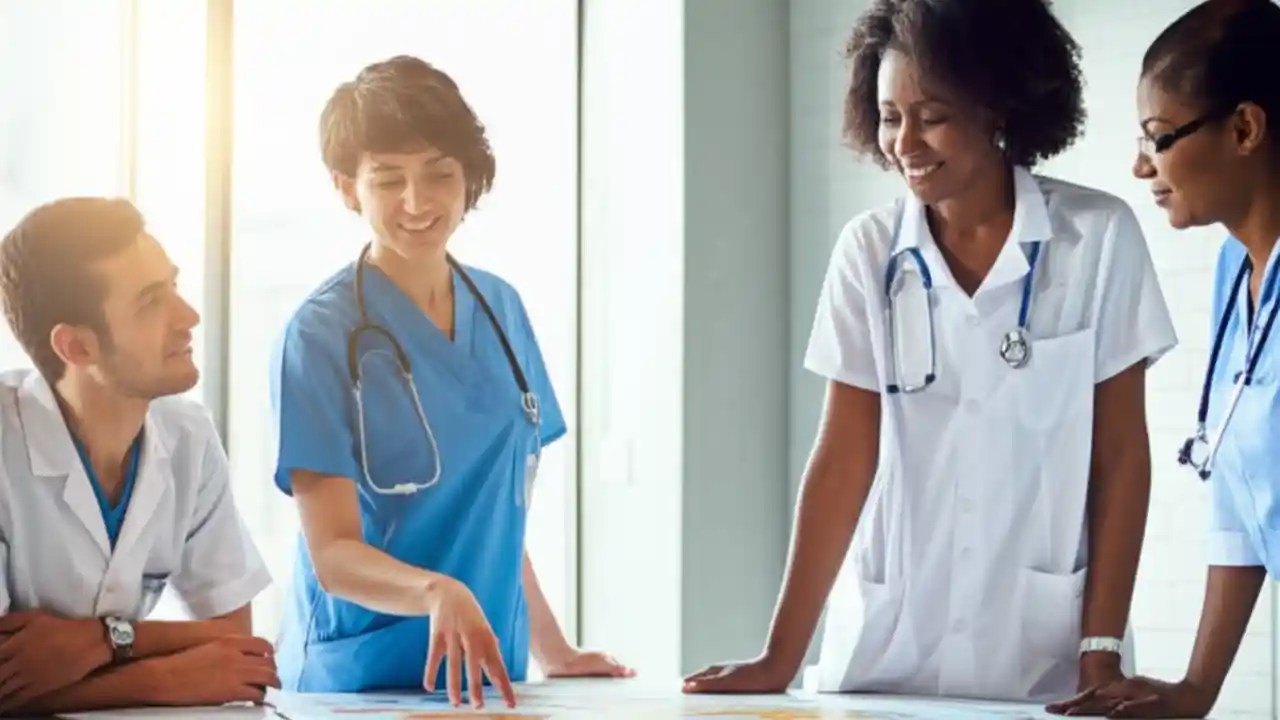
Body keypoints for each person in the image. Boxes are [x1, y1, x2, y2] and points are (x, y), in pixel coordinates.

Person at [684, 0, 1178, 704]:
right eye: (890, 116)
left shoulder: (1097, 238)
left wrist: (1098, 652)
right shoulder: (868, 251)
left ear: (998, 107)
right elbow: (842, 458)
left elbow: (1122, 459)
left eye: (933, 114)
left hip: (1044, 661)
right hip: (888, 651)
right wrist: (780, 655)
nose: (905, 141)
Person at [270, 55, 630, 709]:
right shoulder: (319, 337)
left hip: (491, 677)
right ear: (347, 188)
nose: (418, 202)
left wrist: (557, 652)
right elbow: (333, 552)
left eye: (439, 173)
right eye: (388, 179)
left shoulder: (501, 309)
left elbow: (495, 517)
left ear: (471, 176)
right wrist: (438, 590)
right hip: (361, 682)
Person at [1049, 1, 1280, 717]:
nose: (1142, 164)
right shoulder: (1232, 273)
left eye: (1159, 136)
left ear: (1244, 127)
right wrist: (1195, 690)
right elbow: (1240, 506)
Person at [0, 198, 276, 716]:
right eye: (151, 302)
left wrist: (106, 641)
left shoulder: (186, 436)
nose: (189, 317)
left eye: (173, 285)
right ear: (78, 347)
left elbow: (239, 647)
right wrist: (165, 678)